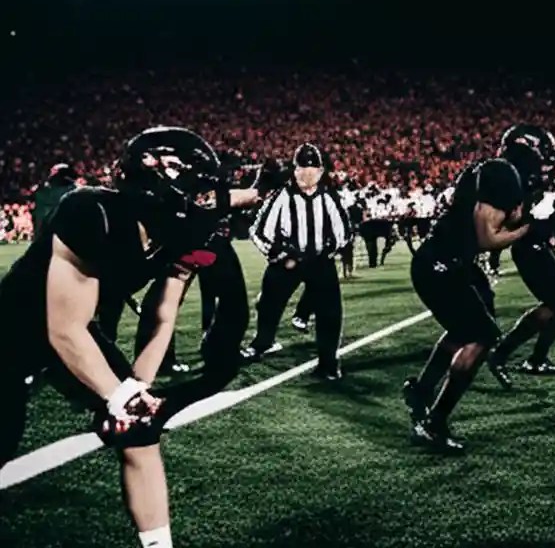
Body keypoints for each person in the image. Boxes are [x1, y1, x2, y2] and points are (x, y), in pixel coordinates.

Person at [0, 127, 234, 548]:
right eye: (190, 183)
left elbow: (162, 315)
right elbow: (62, 328)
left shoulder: (178, 234)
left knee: (139, 432)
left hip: (77, 326)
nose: (199, 200)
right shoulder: (92, 211)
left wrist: (137, 389)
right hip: (14, 330)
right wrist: (117, 394)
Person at [401, 140, 530, 453]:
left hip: (447, 261)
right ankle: (434, 423)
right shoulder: (497, 178)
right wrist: (525, 229)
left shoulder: (482, 173)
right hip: (441, 265)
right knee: (481, 336)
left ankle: (421, 391)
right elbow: (487, 239)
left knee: (465, 330)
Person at [489, 125, 555, 385]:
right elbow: (517, 218)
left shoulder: (525, 178)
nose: (546, 162)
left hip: (539, 244)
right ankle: (501, 354)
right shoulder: (514, 181)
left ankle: (536, 359)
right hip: (529, 247)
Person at [242, 143, 352, 380]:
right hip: (287, 261)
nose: (307, 175)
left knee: (330, 311)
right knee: (269, 303)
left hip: (319, 261)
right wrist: (280, 255)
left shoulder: (329, 197)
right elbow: (259, 232)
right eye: (302, 169)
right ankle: (263, 342)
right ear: (295, 170)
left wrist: (328, 251)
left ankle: (328, 362)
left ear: (320, 172)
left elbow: (344, 231)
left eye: (312, 170)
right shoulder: (282, 196)